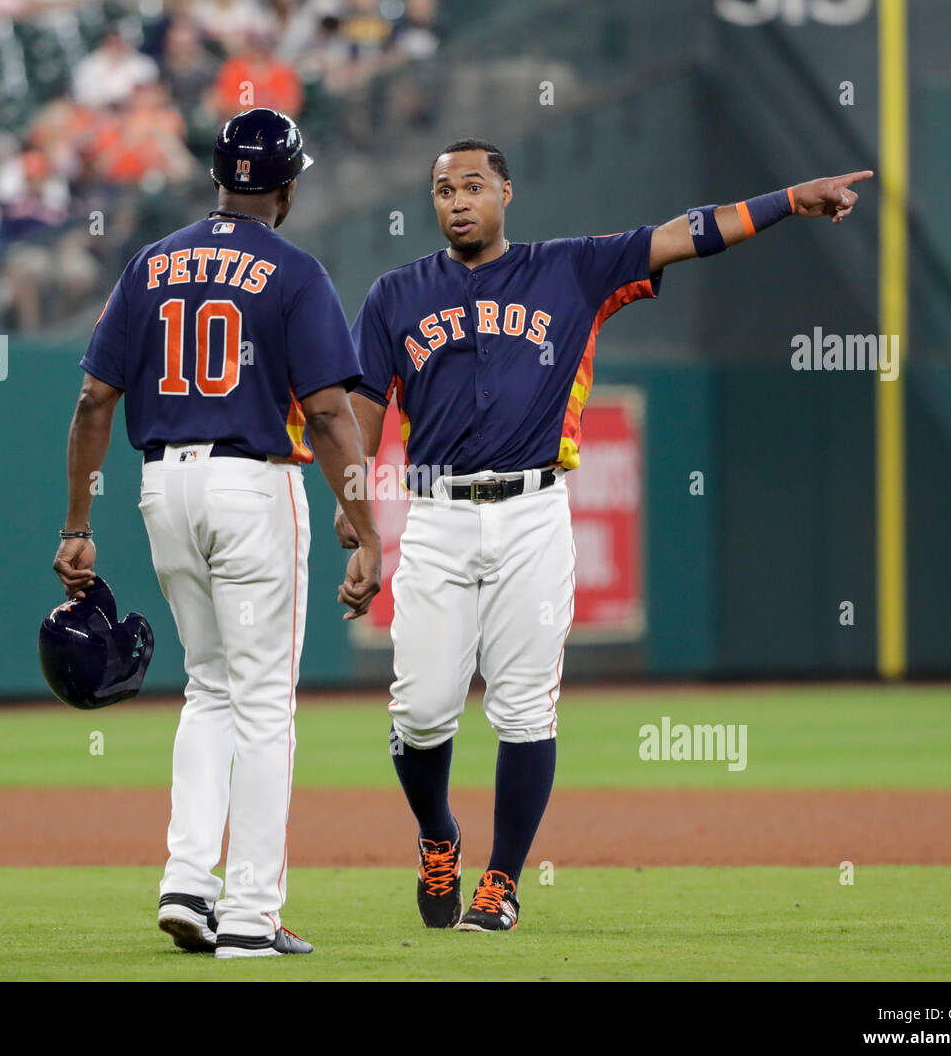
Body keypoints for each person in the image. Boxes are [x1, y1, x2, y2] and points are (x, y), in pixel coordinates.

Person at [339, 138, 872, 932]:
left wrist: (792, 198)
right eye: (443, 188)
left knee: (524, 711)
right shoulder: (395, 293)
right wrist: (359, 531)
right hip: (437, 512)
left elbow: (686, 233)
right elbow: (362, 420)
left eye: (473, 185)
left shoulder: (572, 267)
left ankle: (503, 881)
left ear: (507, 193)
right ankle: (438, 834)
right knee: (419, 711)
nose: (456, 200)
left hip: (532, 510)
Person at [52, 108, 381, 959]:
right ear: (290, 185)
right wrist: (366, 524)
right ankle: (249, 914)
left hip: (162, 486)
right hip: (251, 481)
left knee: (209, 689)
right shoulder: (294, 270)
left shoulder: (152, 262)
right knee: (265, 703)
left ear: (218, 178)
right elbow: (329, 412)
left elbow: (94, 399)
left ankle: (187, 883)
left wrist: (80, 521)